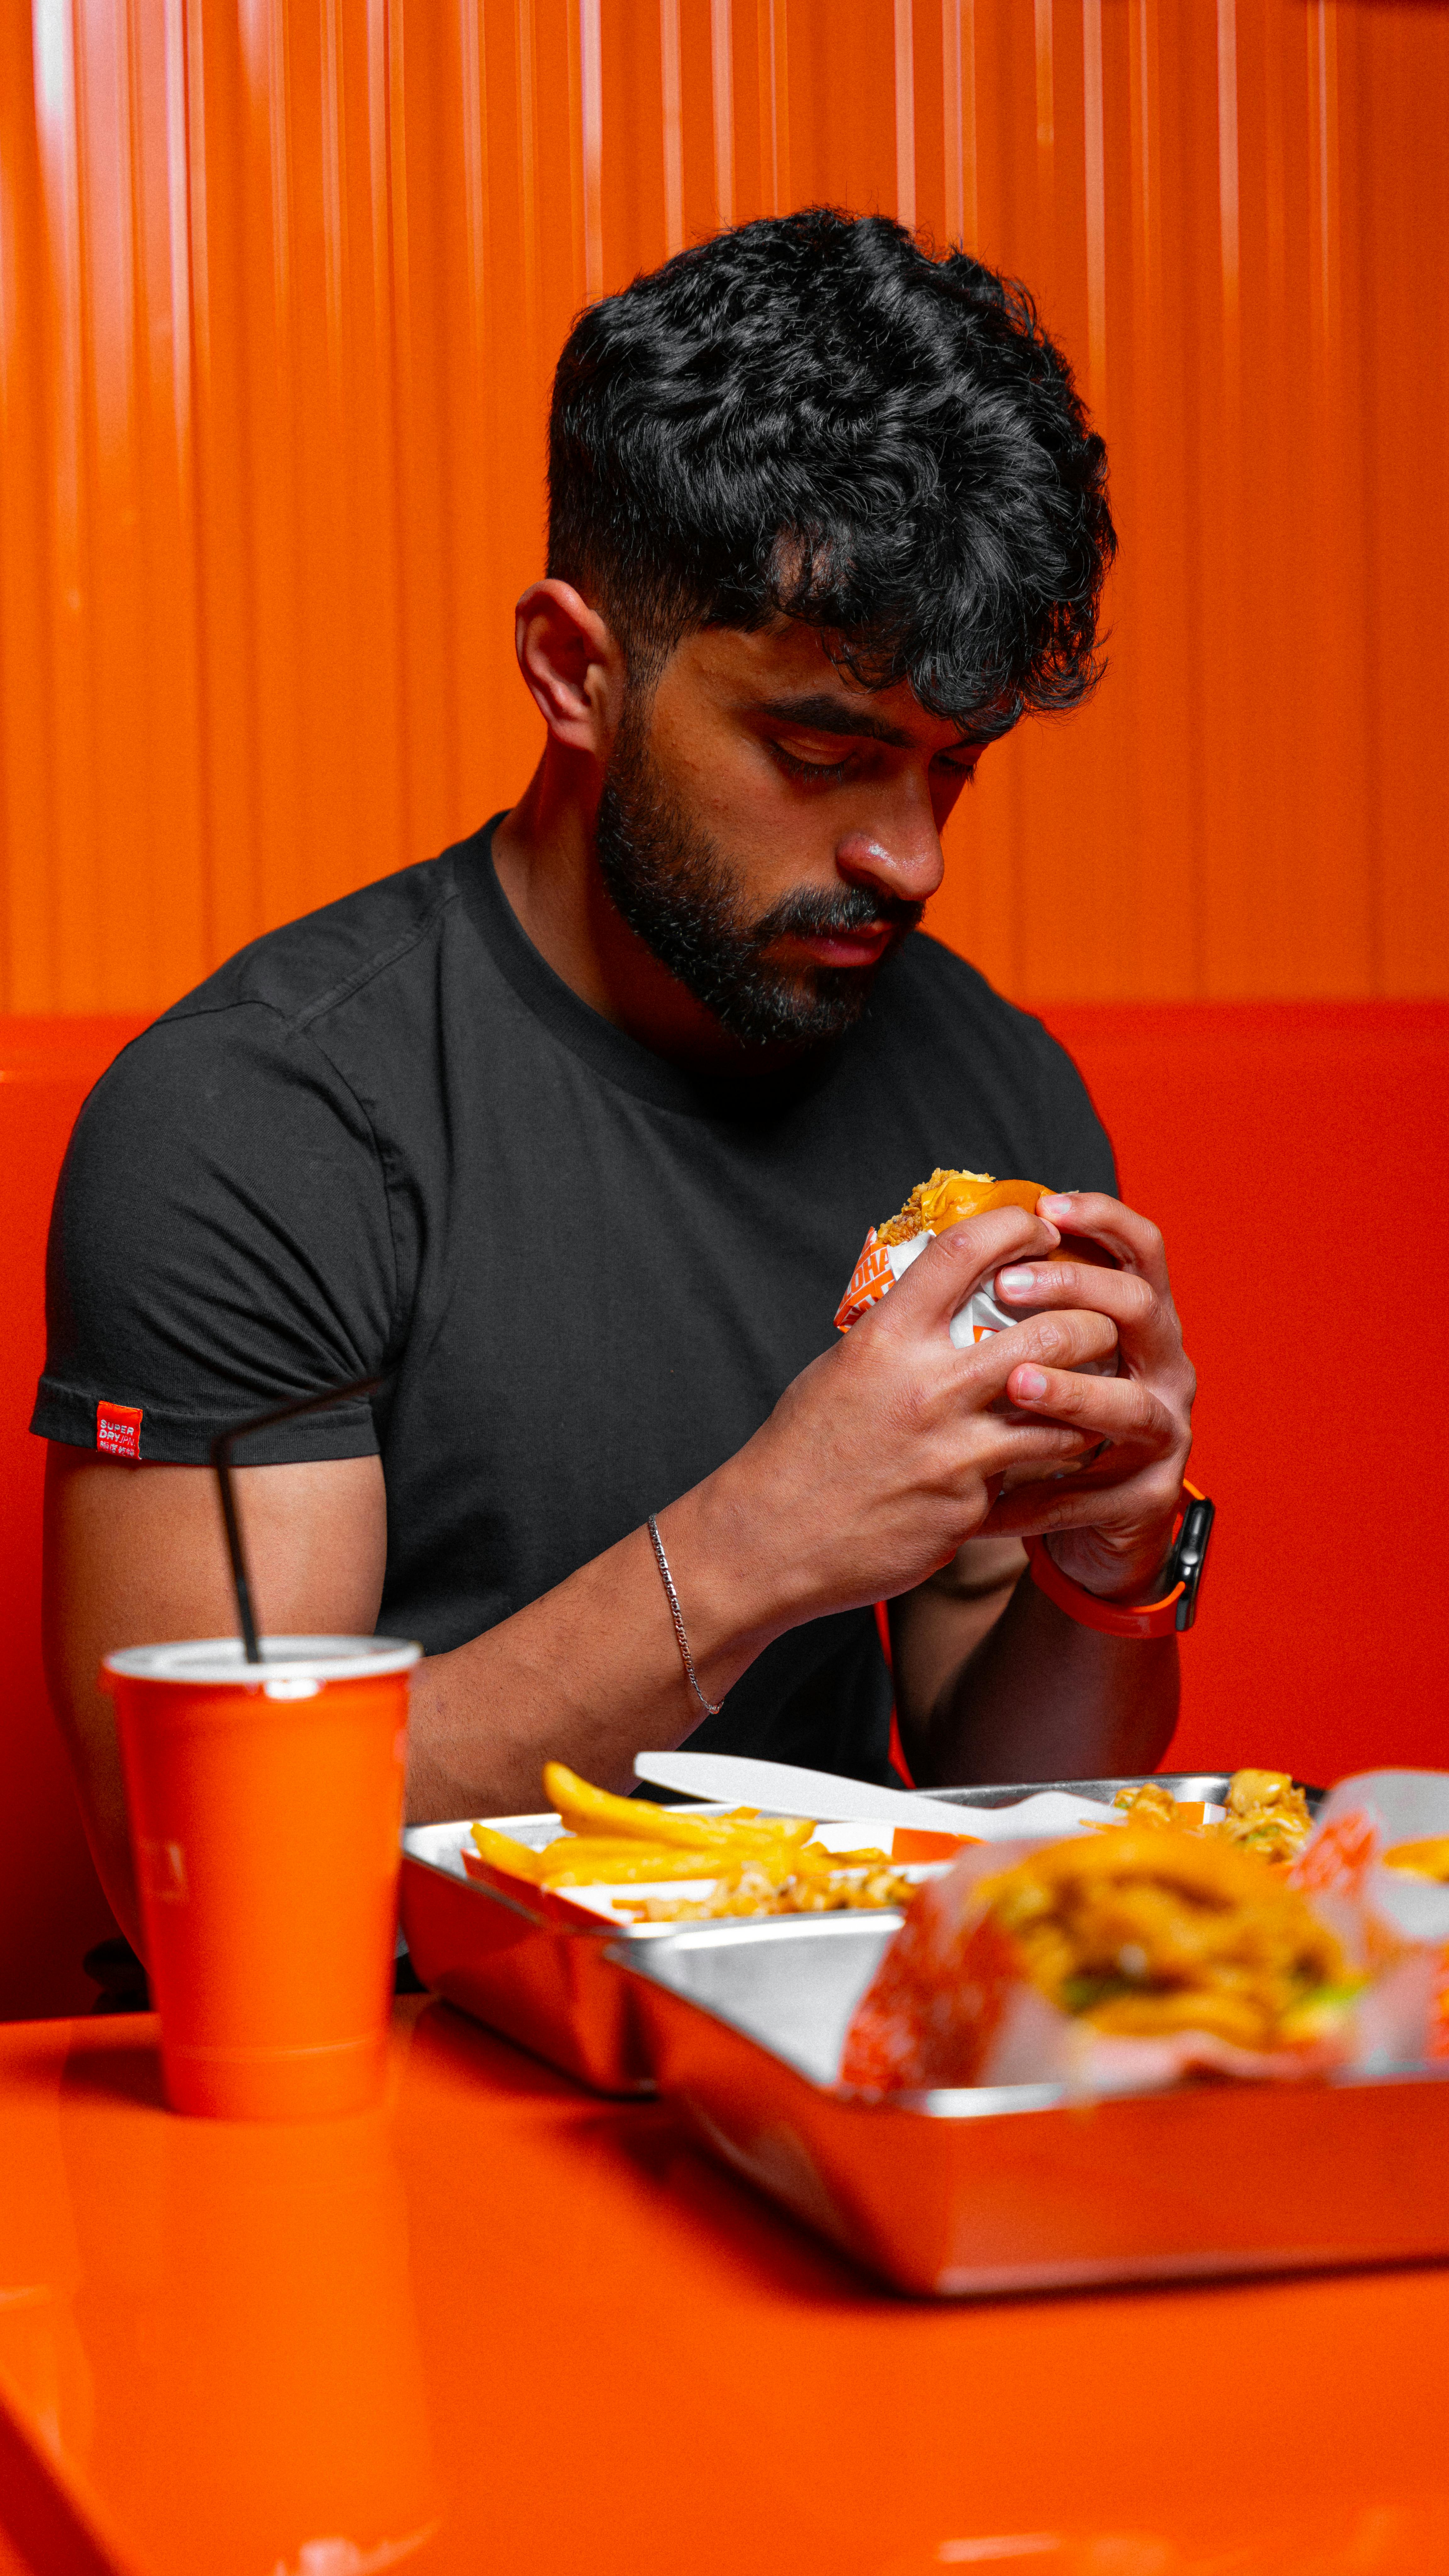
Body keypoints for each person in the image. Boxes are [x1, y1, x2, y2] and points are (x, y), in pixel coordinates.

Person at [37, 211, 1195, 1952]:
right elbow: (206, 1873)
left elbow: (1010, 1815)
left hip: (817, 2105)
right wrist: (761, 1547)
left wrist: (1112, 1575)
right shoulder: (256, 1127)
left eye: (956, 771)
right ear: (578, 671)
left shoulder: (992, 1091)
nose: (908, 858)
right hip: (378, 2105)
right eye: (822, 752)